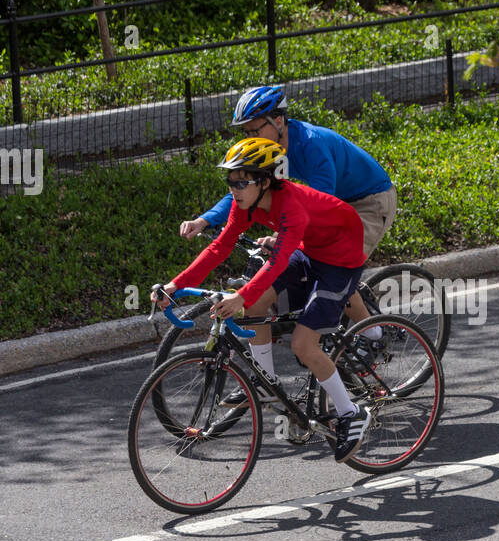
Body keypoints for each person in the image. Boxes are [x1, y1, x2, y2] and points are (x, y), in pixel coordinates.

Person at [153, 136, 370, 463]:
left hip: (340, 260)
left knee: (303, 344)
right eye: (230, 180)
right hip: (309, 251)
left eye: (242, 181)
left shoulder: (291, 206)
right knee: (256, 304)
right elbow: (218, 248)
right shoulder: (247, 206)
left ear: (266, 181)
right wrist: (174, 285)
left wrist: (240, 295)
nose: (234, 189)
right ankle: (266, 381)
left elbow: (278, 261)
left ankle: (351, 413)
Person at [178, 86, 397, 330]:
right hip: (336, 203)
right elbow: (247, 190)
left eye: (255, 130)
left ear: (279, 120)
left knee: (333, 266)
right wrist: (205, 220)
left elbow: (317, 206)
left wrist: (279, 235)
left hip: (369, 201)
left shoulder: (311, 145)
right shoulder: (271, 151)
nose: (250, 137)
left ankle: (372, 333)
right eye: (245, 132)